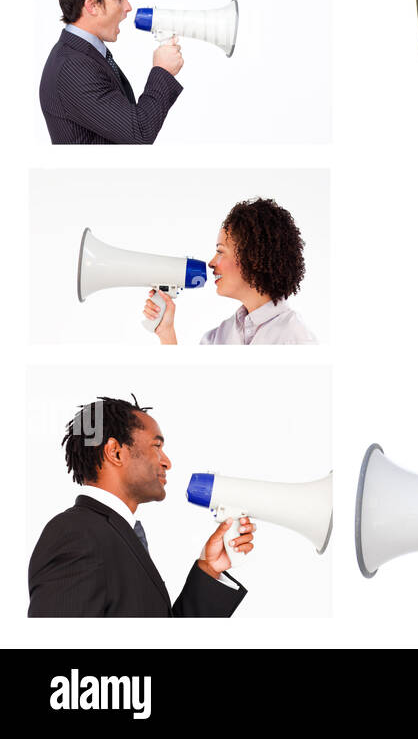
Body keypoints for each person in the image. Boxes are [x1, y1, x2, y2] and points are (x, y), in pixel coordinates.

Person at [29, 395, 253, 617]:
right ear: (115, 451)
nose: (167, 462)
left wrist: (209, 570)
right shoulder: (76, 533)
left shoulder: (108, 534)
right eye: (156, 446)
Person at [39, 0, 184, 144]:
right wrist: (162, 71)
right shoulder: (73, 67)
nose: (128, 7)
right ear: (92, 5)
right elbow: (140, 131)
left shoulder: (83, 54)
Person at [145, 197, 317, 344]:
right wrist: (166, 333)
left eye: (220, 251)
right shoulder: (217, 339)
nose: (211, 263)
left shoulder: (296, 339)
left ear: (251, 257)